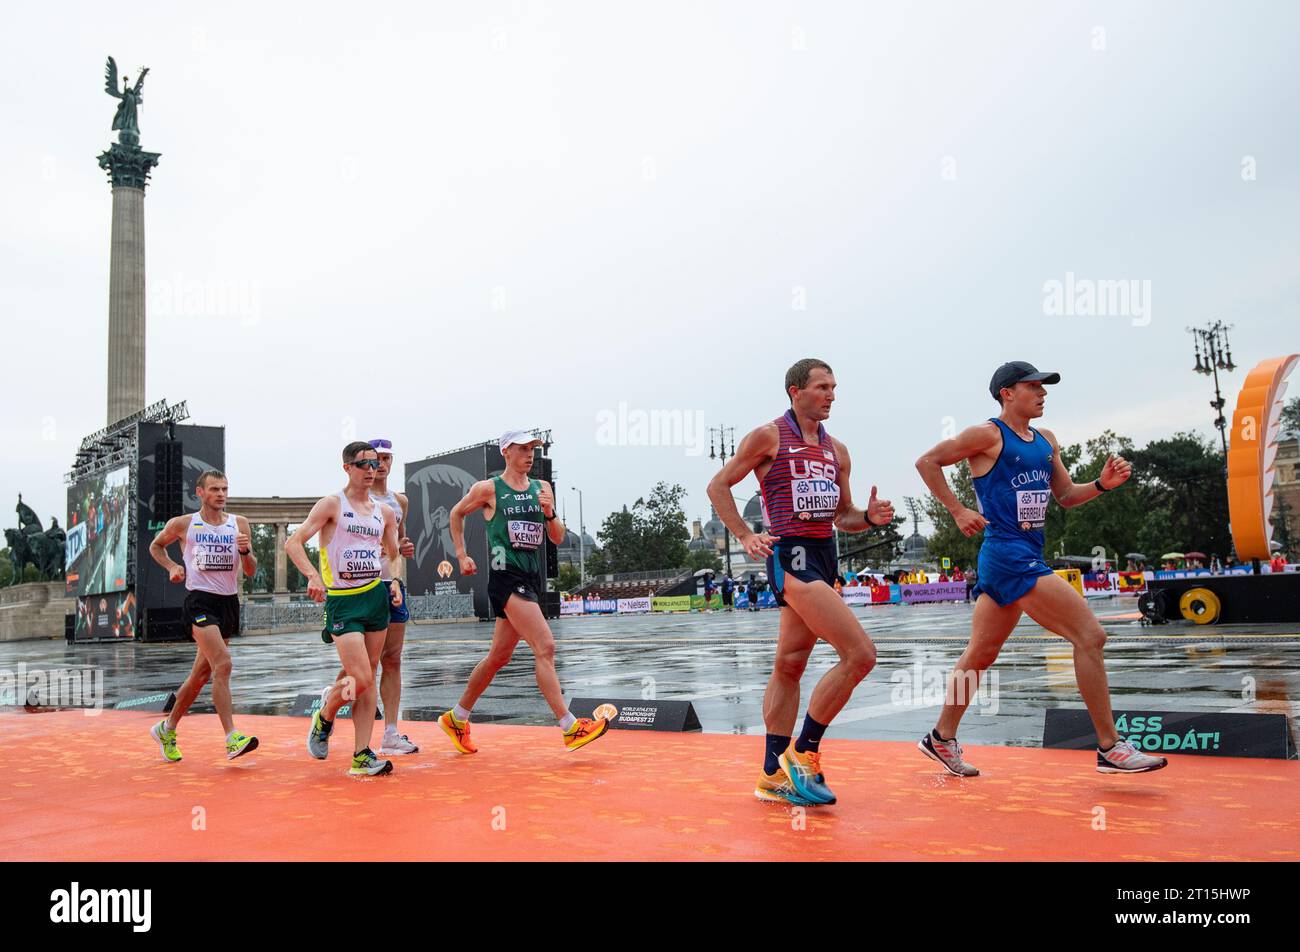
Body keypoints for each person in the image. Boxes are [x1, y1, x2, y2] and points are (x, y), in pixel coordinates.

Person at [914, 361, 1167, 776]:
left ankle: (941, 737)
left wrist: (1101, 484)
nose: (1043, 393)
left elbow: (1065, 495)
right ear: (1007, 393)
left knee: (981, 653)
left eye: (1044, 387)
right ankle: (1109, 746)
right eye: (1034, 386)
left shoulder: (1047, 440)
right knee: (1091, 635)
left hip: (1022, 553)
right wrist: (957, 510)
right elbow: (927, 462)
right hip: (1009, 555)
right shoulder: (988, 435)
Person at [708, 357, 894, 807]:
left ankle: (772, 774)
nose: (831, 395)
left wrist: (869, 518)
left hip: (824, 554)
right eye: (822, 387)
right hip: (791, 555)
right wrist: (745, 535)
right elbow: (718, 486)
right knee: (861, 654)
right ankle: (804, 752)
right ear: (796, 391)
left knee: (790, 664)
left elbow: (843, 516)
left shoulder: (838, 450)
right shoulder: (768, 436)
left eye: (834, 387)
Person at [437, 430, 609, 755]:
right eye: (523, 448)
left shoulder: (541, 488)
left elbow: (557, 537)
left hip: (531, 579)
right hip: (506, 577)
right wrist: (461, 554)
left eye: (533, 448)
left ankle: (456, 718)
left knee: (498, 657)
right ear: (506, 451)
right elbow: (456, 513)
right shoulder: (489, 489)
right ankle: (570, 727)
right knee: (545, 646)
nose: (530, 454)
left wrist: (550, 513)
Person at [287, 442, 401, 777]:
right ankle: (325, 714)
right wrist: (313, 576)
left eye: (375, 464)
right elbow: (293, 542)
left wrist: (394, 580)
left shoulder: (385, 512)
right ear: (347, 467)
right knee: (360, 677)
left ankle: (361, 755)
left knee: (369, 675)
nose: (371, 470)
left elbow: (393, 553)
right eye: (364, 464)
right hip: (343, 600)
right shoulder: (332, 504)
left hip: (375, 596)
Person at [147, 470, 258, 762]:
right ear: (200, 492)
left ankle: (167, 728)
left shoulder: (239, 524)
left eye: (224, 489)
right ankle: (232, 737)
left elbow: (250, 570)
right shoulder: (184, 524)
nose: (220, 494)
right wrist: (172, 566)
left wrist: (245, 551)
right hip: (199, 602)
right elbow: (156, 546)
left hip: (228, 603)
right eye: (214, 489)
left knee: (200, 676)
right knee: (223, 664)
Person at [364, 438, 418, 755]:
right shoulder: (355, 499)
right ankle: (331, 704)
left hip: (392, 584)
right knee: (364, 665)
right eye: (376, 459)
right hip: (363, 586)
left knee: (393, 659)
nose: (381, 465)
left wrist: (404, 548)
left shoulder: (400, 501)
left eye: (386, 459)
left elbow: (399, 542)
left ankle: (391, 732)